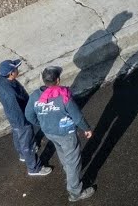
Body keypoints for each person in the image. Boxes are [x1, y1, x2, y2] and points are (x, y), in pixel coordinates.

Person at [26, 66, 96, 202]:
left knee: (61, 151)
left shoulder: (35, 96)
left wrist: (42, 124)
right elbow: (78, 117)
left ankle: (68, 171)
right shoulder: (64, 96)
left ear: (43, 80)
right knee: (73, 161)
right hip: (66, 134)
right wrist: (86, 129)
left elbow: (29, 115)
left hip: (49, 132)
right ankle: (75, 192)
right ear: (58, 80)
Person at [0, 59, 51, 177]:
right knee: (28, 143)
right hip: (20, 119)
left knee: (17, 134)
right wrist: (28, 121)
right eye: (16, 69)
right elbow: (17, 112)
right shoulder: (10, 94)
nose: (18, 70)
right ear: (11, 73)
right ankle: (34, 168)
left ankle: (22, 155)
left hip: (13, 117)